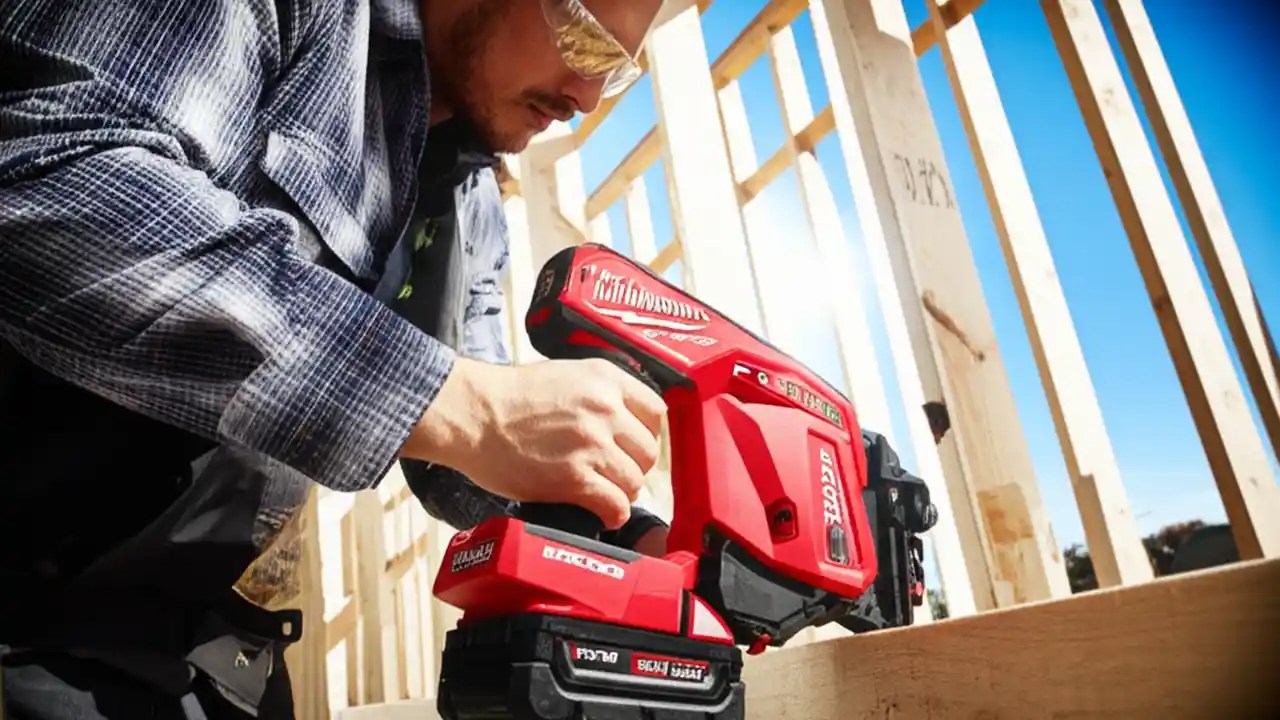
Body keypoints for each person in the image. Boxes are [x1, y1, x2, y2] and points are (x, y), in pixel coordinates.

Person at [0, 0, 672, 717]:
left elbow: (472, 453)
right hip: (30, 607)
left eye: (616, 71)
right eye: (585, 40)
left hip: (210, 650)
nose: (587, 97)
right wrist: (460, 405)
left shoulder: (471, 190)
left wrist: (629, 537)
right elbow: (52, 182)